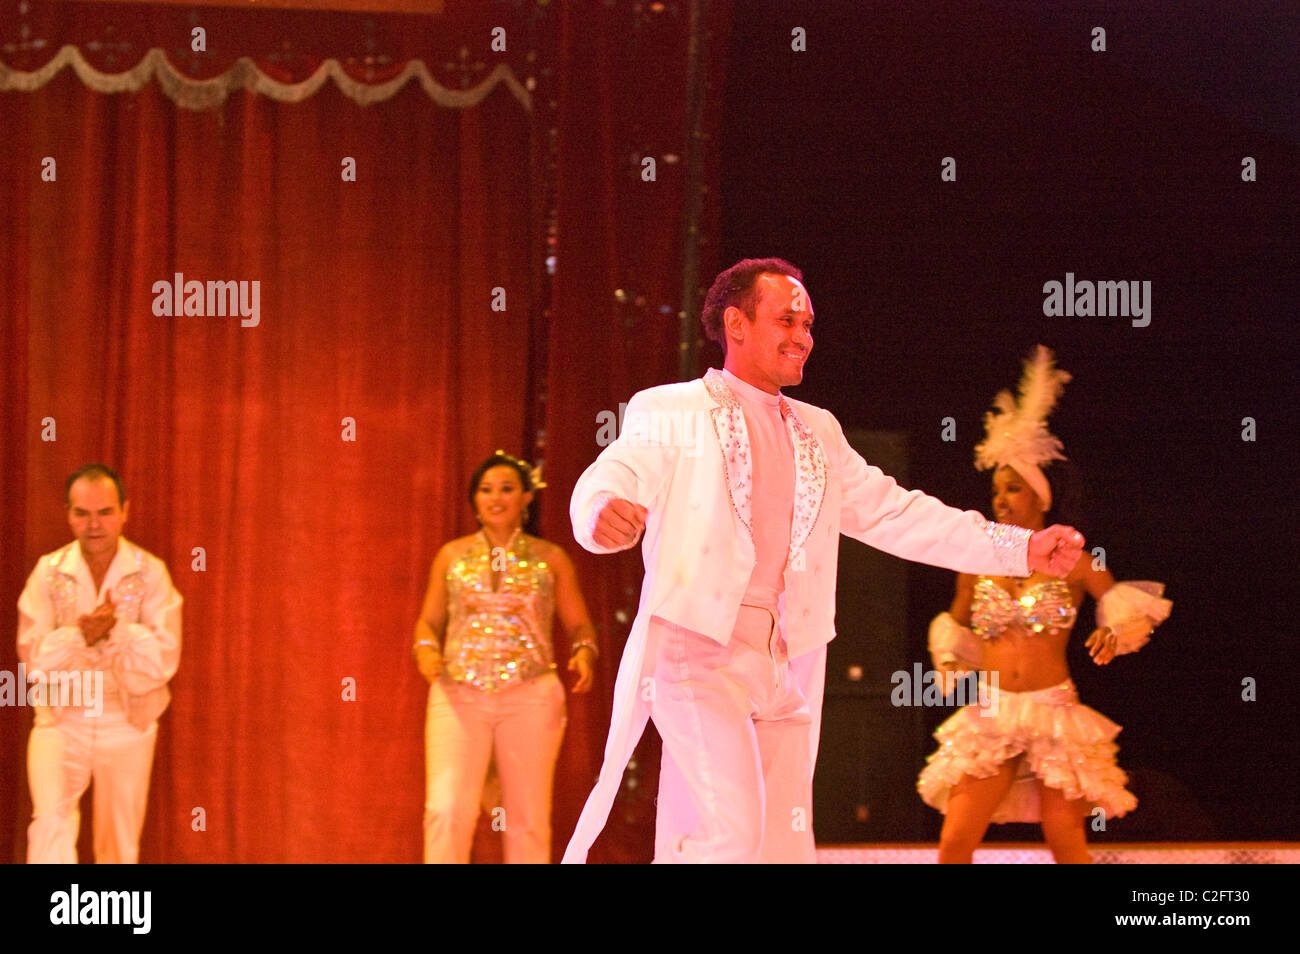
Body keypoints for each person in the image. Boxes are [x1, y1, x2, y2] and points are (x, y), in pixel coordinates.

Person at [562, 258, 1087, 864]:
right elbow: (615, 472)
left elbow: (898, 514)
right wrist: (599, 510)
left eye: (808, 324)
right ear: (736, 323)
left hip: (784, 660)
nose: (803, 337)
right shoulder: (673, 410)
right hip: (697, 652)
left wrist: (1021, 546)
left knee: (784, 847)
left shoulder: (817, 431)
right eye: (786, 320)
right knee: (732, 833)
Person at [918, 346, 1172, 863]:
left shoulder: (1074, 561)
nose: (1001, 499)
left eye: (1014, 488)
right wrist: (948, 660)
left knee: (1066, 840)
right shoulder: (976, 563)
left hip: (1054, 707)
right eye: (997, 490)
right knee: (956, 840)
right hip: (992, 709)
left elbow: (1120, 607)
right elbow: (954, 626)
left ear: (1040, 497)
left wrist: (1112, 632)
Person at [414, 451, 598, 863]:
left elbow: (580, 626)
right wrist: (426, 651)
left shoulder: (550, 558)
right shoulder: (452, 556)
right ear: (474, 499)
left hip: (530, 695)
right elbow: (428, 622)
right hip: (458, 692)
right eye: (486, 490)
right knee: (446, 809)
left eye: (506, 489)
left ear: (526, 498)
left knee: (527, 818)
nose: (495, 498)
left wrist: (584, 652)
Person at [17, 464, 183, 864]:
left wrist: (117, 631)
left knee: (119, 843)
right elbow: (33, 658)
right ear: (68, 513)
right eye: (82, 513)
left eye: (105, 512)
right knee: (49, 823)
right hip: (61, 718)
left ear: (124, 511)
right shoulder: (48, 571)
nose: (94, 525)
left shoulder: (150, 573)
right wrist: (81, 636)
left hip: (126, 721)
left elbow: (163, 659)